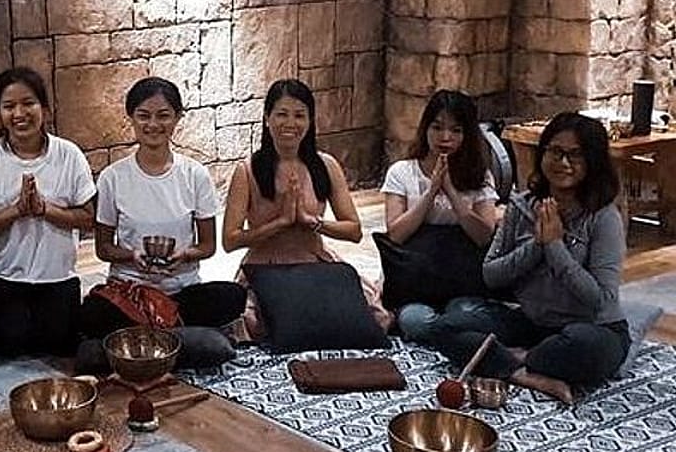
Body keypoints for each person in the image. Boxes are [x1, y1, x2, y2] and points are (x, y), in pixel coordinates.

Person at [432, 112, 628, 404]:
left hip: (590, 328)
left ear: (593, 162)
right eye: (556, 152)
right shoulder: (522, 205)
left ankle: (513, 359)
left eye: (576, 155)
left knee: (586, 348)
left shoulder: (602, 216)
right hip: (531, 322)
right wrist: (537, 245)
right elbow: (491, 275)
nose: (563, 163)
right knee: (446, 326)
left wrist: (555, 247)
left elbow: (599, 299)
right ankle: (523, 372)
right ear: (543, 153)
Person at [222, 79, 390, 338]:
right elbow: (230, 240)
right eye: (282, 114)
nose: (290, 123)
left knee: (374, 317)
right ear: (267, 118)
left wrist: (311, 222)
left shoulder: (326, 165)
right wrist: (280, 222)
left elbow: (354, 230)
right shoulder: (248, 170)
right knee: (253, 325)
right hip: (265, 268)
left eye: (299, 115)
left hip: (315, 263)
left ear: (310, 121)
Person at [81, 77, 245, 338]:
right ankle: (172, 332)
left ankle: (152, 331)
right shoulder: (113, 177)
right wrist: (132, 255)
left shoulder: (195, 174)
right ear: (131, 118)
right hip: (130, 290)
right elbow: (103, 248)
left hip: (181, 291)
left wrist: (183, 254)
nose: (153, 124)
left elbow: (208, 246)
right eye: (144, 116)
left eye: (163, 116)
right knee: (91, 314)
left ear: (178, 118)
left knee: (233, 296)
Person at [0, 68, 95, 357]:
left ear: (44, 108)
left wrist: (46, 210)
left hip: (58, 279)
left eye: (28, 103)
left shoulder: (69, 154)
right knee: (10, 348)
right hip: (3, 279)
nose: (19, 113)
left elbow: (88, 216)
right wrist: (15, 212)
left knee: (60, 348)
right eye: (9, 106)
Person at [382, 90, 499, 343]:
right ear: (425, 129)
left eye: (456, 130)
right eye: (437, 128)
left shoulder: (480, 176)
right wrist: (431, 192)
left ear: (467, 135)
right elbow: (396, 234)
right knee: (416, 321)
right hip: (414, 284)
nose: (445, 137)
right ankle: (455, 337)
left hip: (460, 281)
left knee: (465, 316)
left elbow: (484, 236)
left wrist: (453, 194)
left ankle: (453, 333)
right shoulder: (401, 172)